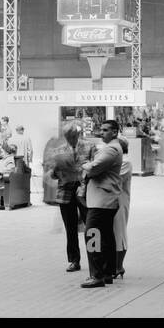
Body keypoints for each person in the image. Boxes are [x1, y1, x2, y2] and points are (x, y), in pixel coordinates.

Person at [80, 119, 122, 288]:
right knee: (105, 236)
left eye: (105, 130)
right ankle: (107, 272)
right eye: (101, 129)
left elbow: (94, 168)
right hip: (104, 199)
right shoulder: (111, 148)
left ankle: (96, 275)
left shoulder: (111, 149)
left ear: (114, 132)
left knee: (92, 235)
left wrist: (83, 164)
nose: (101, 132)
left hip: (101, 199)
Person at [47, 125, 88, 272]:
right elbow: (51, 174)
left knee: (90, 226)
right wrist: (57, 170)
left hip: (84, 192)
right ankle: (74, 260)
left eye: (72, 135)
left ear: (78, 134)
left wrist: (80, 171)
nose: (70, 138)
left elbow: (95, 168)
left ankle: (94, 258)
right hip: (65, 192)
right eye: (67, 136)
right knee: (70, 228)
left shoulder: (89, 148)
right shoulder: (59, 151)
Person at [113, 136, 132, 279]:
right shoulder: (115, 161)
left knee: (119, 232)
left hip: (120, 201)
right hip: (109, 200)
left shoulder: (125, 162)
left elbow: (112, 177)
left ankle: (119, 266)